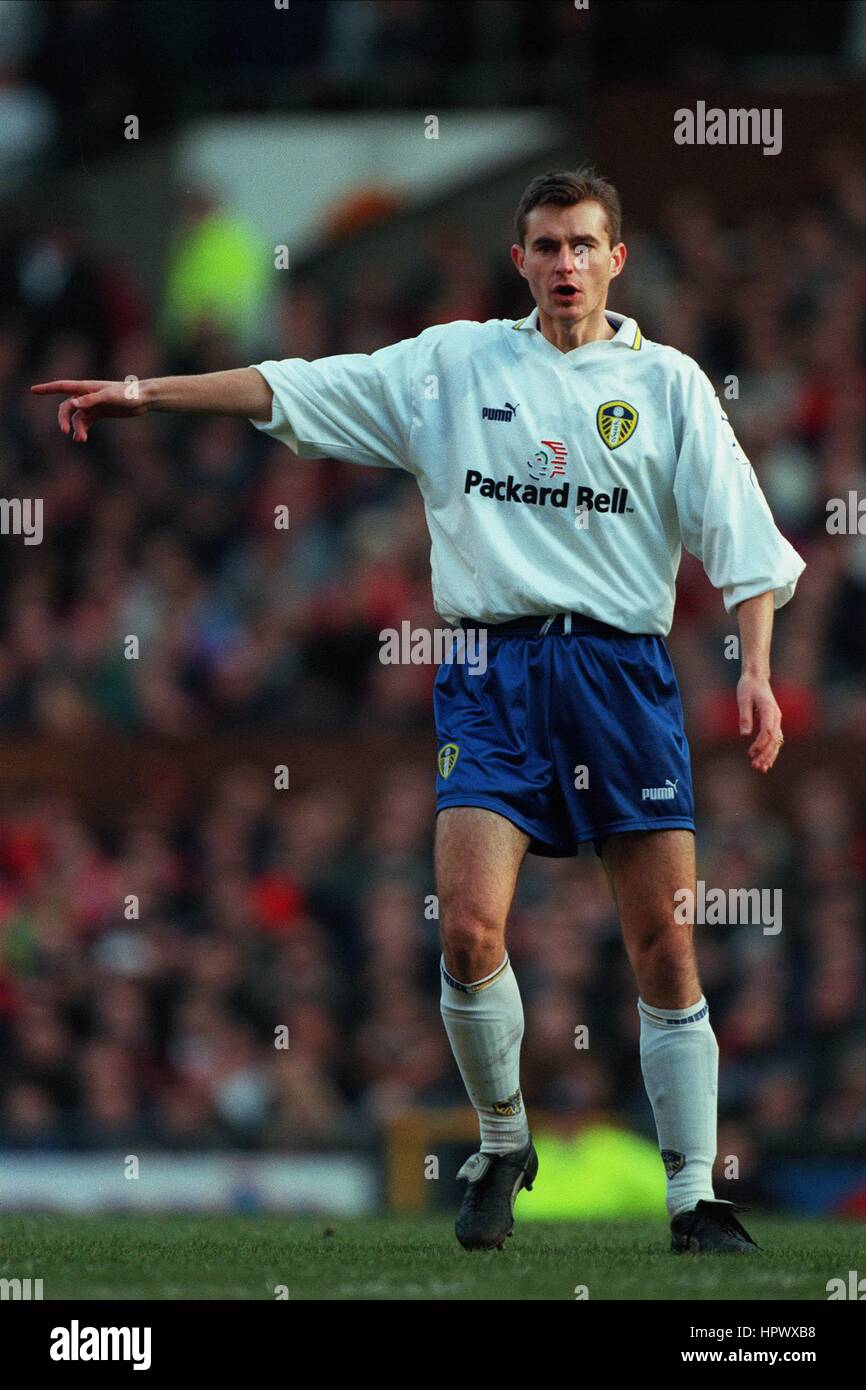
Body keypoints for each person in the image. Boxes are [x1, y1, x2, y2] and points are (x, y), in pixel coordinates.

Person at [32, 166, 805, 1255]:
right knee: (469, 930)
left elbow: (748, 550)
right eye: (545, 245)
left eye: (584, 244)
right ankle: (501, 1142)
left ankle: (690, 1196)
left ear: (615, 259)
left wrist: (757, 669)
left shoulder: (671, 384)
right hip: (489, 674)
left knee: (663, 950)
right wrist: (145, 393)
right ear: (519, 258)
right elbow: (292, 384)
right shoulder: (452, 364)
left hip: (621, 678)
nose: (565, 265)